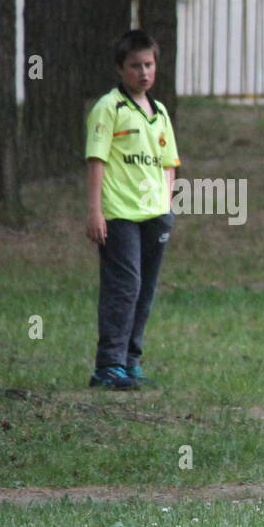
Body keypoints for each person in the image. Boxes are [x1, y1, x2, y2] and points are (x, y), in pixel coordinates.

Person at [84, 30, 181, 389]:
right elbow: (96, 160)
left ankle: (130, 359)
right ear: (119, 69)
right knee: (124, 286)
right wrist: (95, 211)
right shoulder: (109, 108)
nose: (143, 72)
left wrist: (167, 205)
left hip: (155, 215)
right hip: (119, 214)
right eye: (135, 66)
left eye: (149, 65)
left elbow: (169, 162)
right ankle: (108, 365)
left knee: (145, 288)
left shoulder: (160, 112)